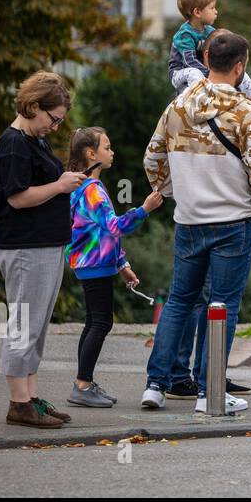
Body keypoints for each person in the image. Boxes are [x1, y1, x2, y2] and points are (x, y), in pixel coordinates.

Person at [141, 31, 251, 414]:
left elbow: (152, 158)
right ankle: (209, 393)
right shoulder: (248, 113)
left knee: (179, 301)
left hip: (189, 219)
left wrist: (173, 191)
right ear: (239, 67)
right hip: (235, 220)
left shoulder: (178, 106)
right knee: (223, 305)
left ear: (206, 60)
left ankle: (155, 385)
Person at [0, 72, 85, 429]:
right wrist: (60, 185)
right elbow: (17, 197)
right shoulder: (14, 144)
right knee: (24, 325)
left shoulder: (32, 140)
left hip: (42, 244)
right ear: (33, 107)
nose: (55, 127)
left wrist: (63, 185)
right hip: (26, 246)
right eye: (53, 118)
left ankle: (30, 397)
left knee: (36, 326)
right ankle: (19, 403)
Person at [63, 127, 163, 407]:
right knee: (102, 322)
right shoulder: (92, 190)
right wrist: (144, 209)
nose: (112, 152)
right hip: (94, 264)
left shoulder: (84, 185)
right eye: (107, 147)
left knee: (94, 322)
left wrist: (122, 264)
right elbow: (115, 226)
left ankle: (83, 383)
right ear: (91, 153)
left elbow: (105, 234)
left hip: (93, 264)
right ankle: (82, 386)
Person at [168, 0, 251, 130]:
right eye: (212, 8)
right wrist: (211, 73)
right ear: (197, 12)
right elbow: (189, 61)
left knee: (245, 77)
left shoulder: (209, 31)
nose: (216, 12)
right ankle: (202, 106)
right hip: (180, 72)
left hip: (203, 70)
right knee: (194, 73)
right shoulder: (185, 35)